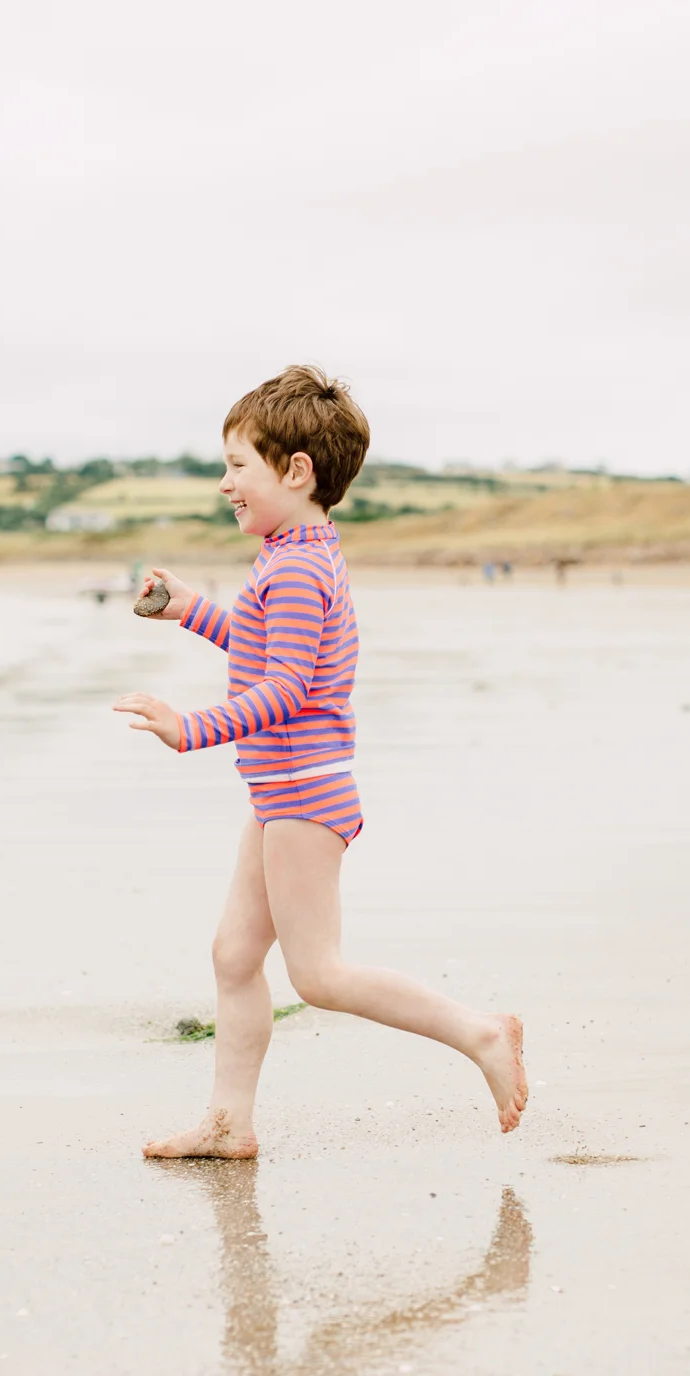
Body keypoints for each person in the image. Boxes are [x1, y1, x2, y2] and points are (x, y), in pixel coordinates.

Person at [114, 367, 528, 1159]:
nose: (225, 481)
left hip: (304, 794)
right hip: (279, 794)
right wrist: (187, 610)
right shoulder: (290, 554)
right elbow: (263, 645)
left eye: (239, 465)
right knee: (233, 956)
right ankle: (229, 1123)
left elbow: (287, 687)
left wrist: (187, 727)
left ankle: (481, 1034)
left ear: (296, 471)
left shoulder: (298, 566)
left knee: (321, 976)